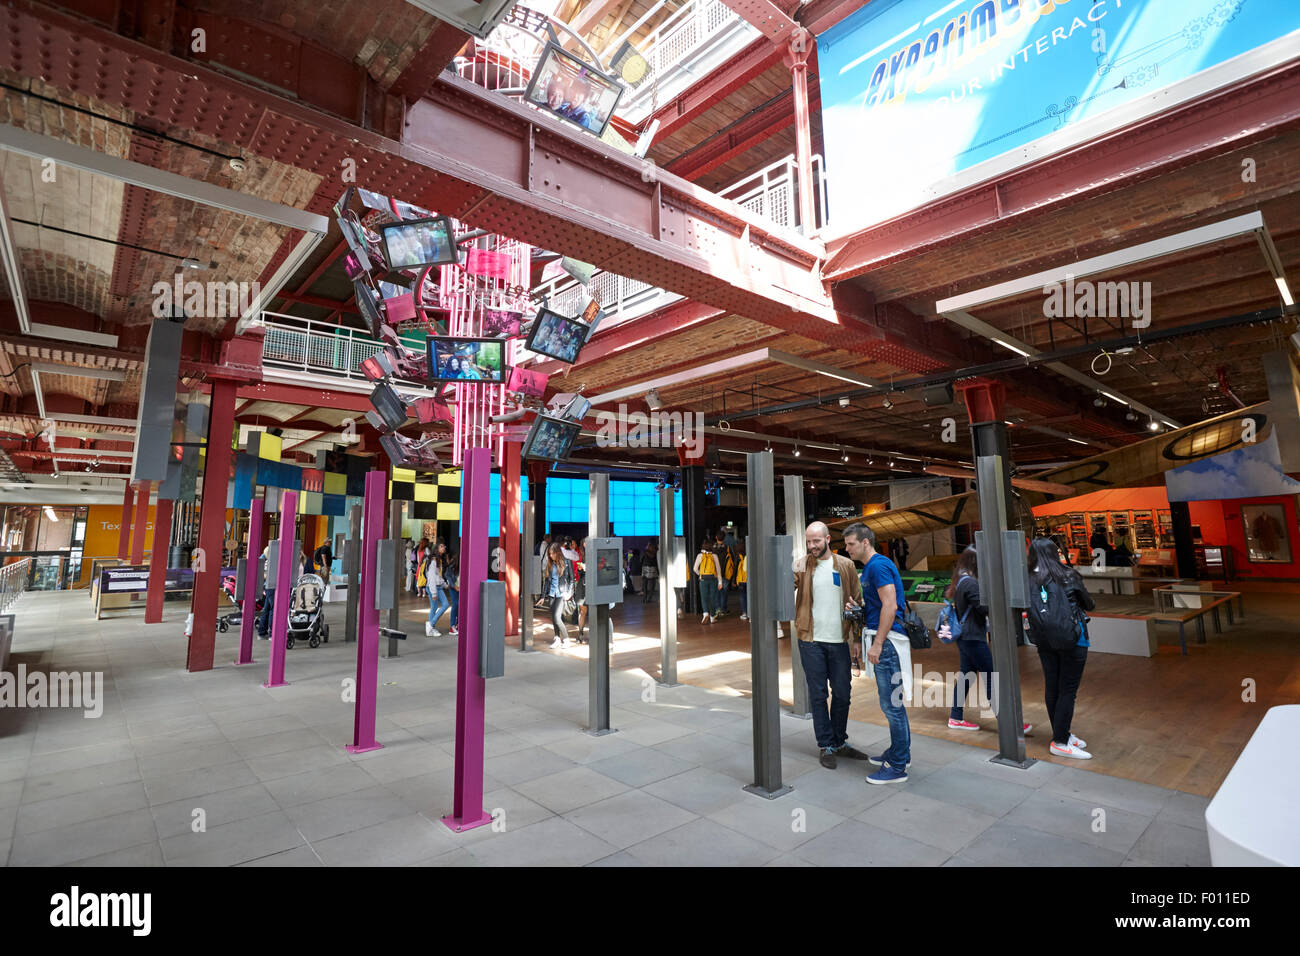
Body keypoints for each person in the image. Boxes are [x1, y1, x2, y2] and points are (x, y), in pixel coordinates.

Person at [793, 521, 868, 770]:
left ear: (827, 539)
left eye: (816, 540)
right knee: (818, 694)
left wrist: (856, 638)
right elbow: (783, 589)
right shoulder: (802, 565)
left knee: (843, 693)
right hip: (810, 639)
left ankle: (839, 741)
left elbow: (857, 603)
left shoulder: (845, 565)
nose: (812, 545)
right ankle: (825, 744)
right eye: (808, 541)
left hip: (839, 641)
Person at [842, 522, 911, 785]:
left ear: (865, 542)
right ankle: (898, 752)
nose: (847, 548)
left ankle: (898, 765)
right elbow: (877, 606)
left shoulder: (878, 566)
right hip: (883, 637)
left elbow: (890, 605)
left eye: (851, 544)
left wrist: (878, 643)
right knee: (891, 704)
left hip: (889, 642)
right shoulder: (872, 567)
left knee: (892, 706)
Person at [937, 548, 1033, 734]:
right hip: (973, 638)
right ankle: (1009, 724)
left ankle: (955, 717)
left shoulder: (960, 581)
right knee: (991, 679)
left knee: (966, 677)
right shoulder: (970, 583)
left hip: (965, 638)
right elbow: (985, 608)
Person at [1026, 536, 1095, 759]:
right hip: (1073, 639)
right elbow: (1088, 603)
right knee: (1068, 690)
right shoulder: (1067, 575)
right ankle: (1060, 741)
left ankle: (1061, 732)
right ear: (1055, 553)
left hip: (1044, 641)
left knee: (1052, 686)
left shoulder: (1028, 579)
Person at [542, 543, 575, 648]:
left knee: (557, 618)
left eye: (553, 554)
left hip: (561, 594)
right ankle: (557, 638)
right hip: (552, 594)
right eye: (550, 554)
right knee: (554, 618)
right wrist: (543, 596)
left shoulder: (567, 562)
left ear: (558, 553)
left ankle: (566, 639)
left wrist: (569, 593)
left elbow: (572, 579)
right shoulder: (550, 564)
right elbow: (547, 581)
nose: (551, 556)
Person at [425, 540, 451, 637]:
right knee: (445, 604)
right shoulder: (433, 561)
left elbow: (437, 576)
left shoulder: (438, 560)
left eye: (444, 546)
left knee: (434, 607)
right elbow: (431, 577)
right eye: (441, 546)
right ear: (436, 549)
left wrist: (444, 584)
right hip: (434, 587)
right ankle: (431, 625)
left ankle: (431, 629)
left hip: (437, 586)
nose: (443, 548)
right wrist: (434, 593)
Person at [693, 539, 719, 625]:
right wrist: (720, 582)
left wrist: (700, 574)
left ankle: (705, 613)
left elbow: (695, 569)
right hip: (713, 579)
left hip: (703, 579)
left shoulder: (700, 555)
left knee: (704, 597)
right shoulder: (714, 556)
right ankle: (712, 617)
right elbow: (718, 570)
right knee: (712, 597)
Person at [713, 529, 736, 616]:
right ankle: (723, 609)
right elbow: (732, 560)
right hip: (725, 574)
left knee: (716, 592)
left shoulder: (712, 549)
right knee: (724, 593)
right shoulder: (727, 548)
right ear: (724, 538)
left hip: (715, 574)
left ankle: (717, 609)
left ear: (716, 538)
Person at [444, 547, 460, 637]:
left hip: (461, 589)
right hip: (454, 588)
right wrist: (454, 586)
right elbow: (447, 575)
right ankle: (452, 626)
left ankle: (458, 624)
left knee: (460, 606)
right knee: (455, 605)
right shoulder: (454, 564)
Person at [736, 541, 748, 621]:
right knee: (749, 596)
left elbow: (735, 569)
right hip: (749, 579)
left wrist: (733, 580)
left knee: (742, 596)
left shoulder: (737, 557)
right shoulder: (749, 555)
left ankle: (744, 613)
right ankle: (751, 612)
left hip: (740, 579)